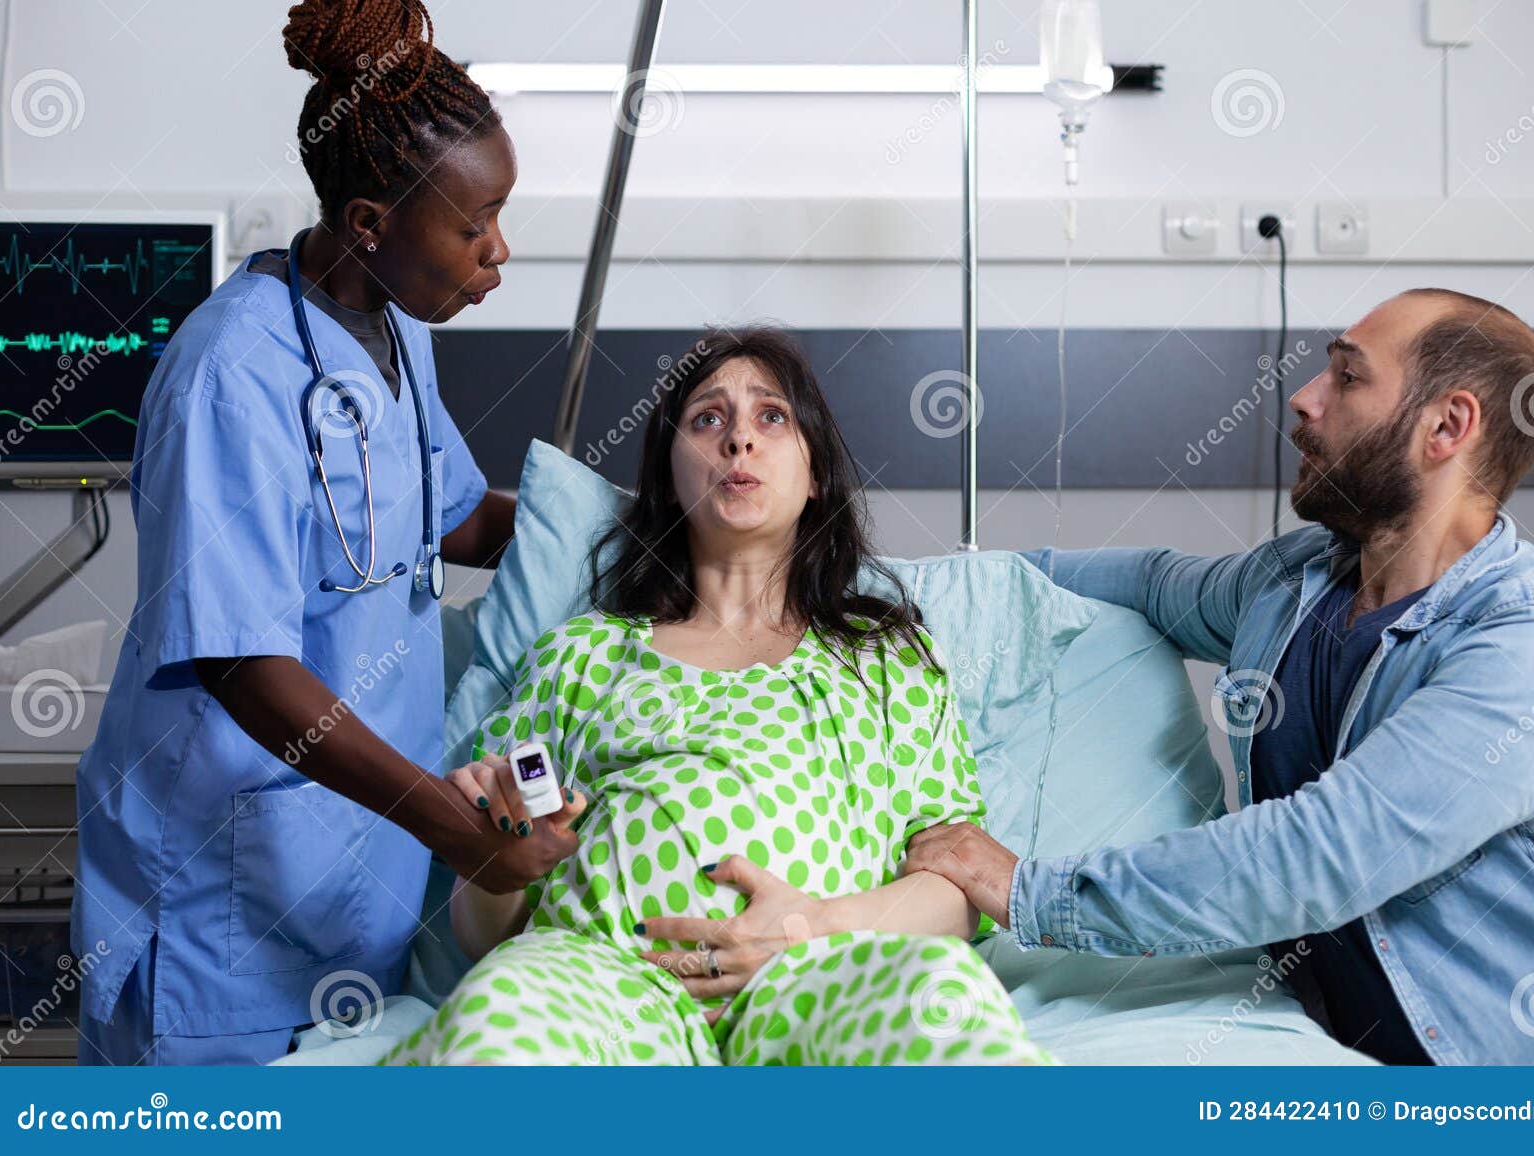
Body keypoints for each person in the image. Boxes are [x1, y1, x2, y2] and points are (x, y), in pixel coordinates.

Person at [904, 288, 1534, 1065]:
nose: (1305, 398)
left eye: (1347, 377)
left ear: (1447, 426)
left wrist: (1031, 891)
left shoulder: (1533, 646)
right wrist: (857, 582)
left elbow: (1321, 855)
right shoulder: (1297, 583)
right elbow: (1140, 583)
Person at [72, 0, 574, 1065]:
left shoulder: (393, 332)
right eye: (475, 225)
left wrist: (636, 528)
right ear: (368, 222)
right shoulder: (230, 375)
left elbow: (450, 517)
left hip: (349, 865)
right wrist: (449, 824)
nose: (499, 251)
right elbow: (241, 664)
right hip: (223, 878)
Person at [377, 327, 1051, 1066]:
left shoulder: (886, 658)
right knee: (495, 1024)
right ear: (668, 478)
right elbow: (486, 937)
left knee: (945, 1006)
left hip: (819, 973)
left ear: (816, 473)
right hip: (599, 978)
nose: (739, 439)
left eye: (772, 416)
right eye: (707, 418)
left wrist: (807, 930)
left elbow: (953, 894)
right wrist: (497, 862)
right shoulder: (581, 655)